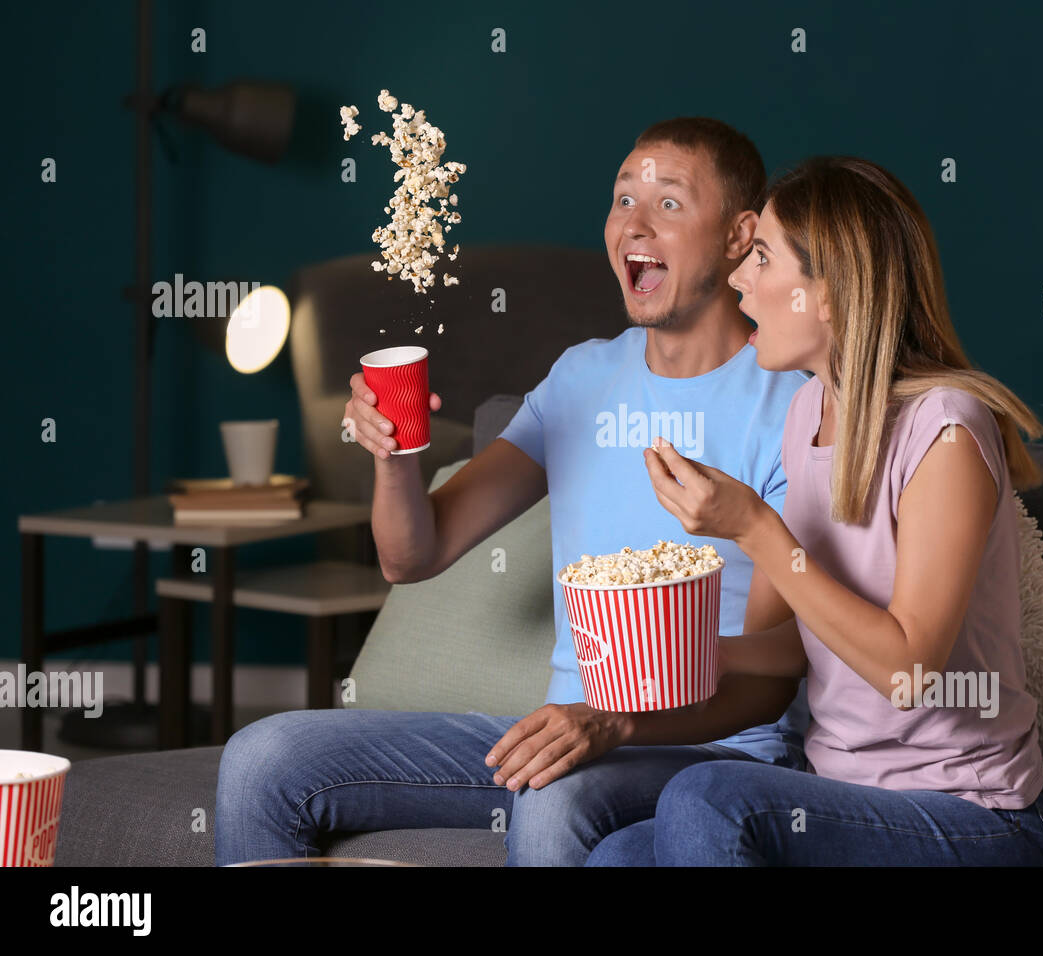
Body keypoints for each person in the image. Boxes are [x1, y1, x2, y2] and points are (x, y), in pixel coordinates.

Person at [214, 117, 811, 867]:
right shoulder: (580, 378)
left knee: (553, 798)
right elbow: (413, 554)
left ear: (737, 236)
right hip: (559, 731)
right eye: (622, 197)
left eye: (667, 203)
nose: (633, 222)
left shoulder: (792, 405)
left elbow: (775, 675)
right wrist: (394, 457)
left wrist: (614, 718)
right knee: (263, 761)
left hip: (712, 753)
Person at [586, 155, 1043, 866]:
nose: (738, 279)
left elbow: (908, 673)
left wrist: (755, 526)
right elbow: (809, 644)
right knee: (615, 857)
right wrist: (674, 664)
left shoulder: (947, 429)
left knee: (707, 797)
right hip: (840, 797)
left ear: (832, 293)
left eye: (762, 259)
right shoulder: (809, 410)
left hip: (973, 819)